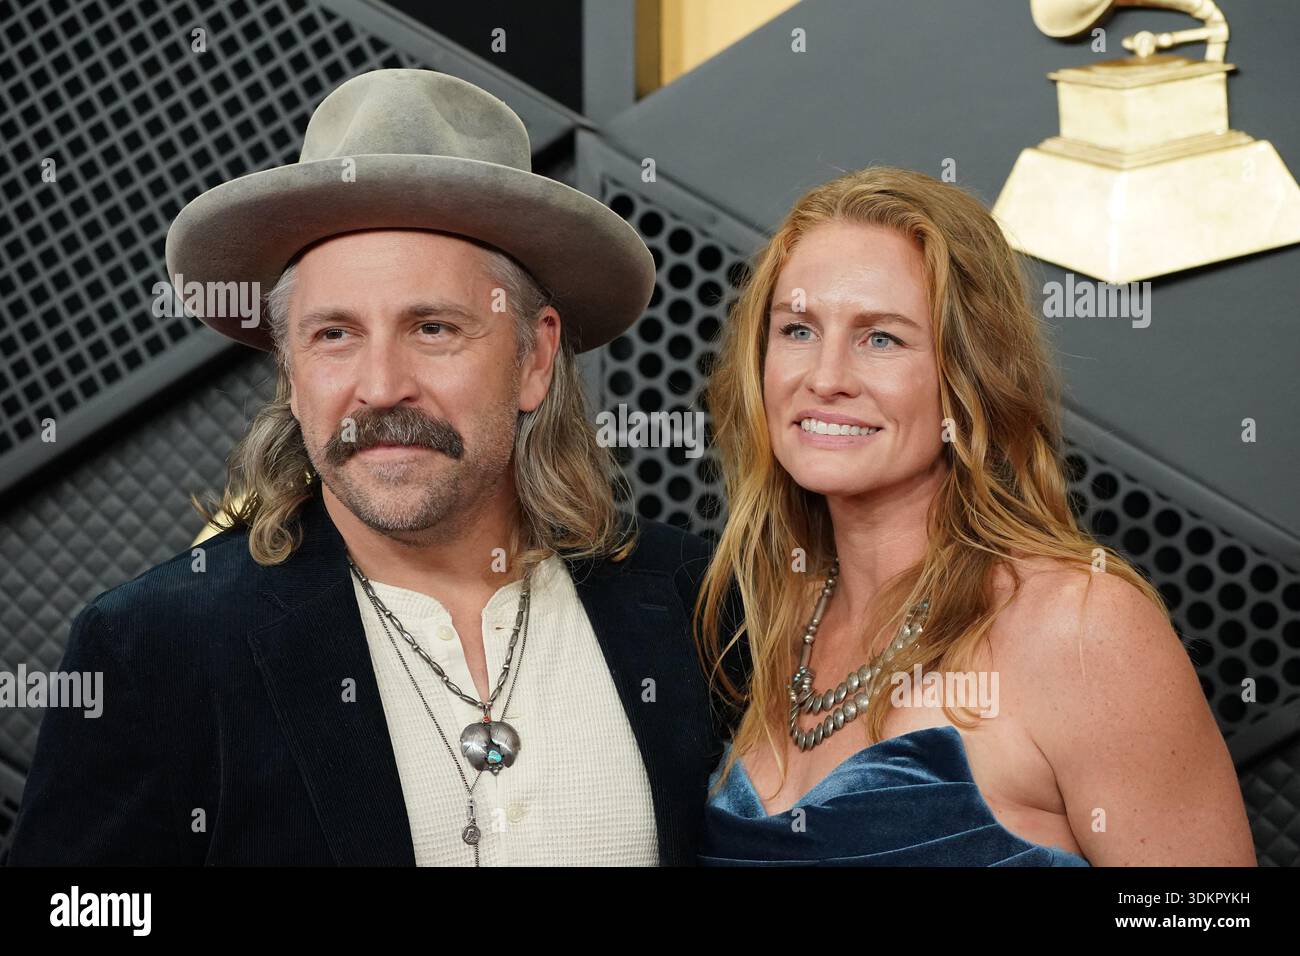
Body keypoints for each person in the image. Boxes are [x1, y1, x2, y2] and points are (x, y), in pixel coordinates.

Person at [6, 69, 725, 866]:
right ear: (290, 368)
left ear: (536, 357)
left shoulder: (702, 605)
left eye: (434, 328)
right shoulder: (153, 648)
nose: (381, 388)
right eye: (334, 335)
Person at [691, 166, 1257, 866]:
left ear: (968, 379)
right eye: (799, 329)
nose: (826, 376)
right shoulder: (774, 613)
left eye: (881, 339)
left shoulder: (1078, 625)